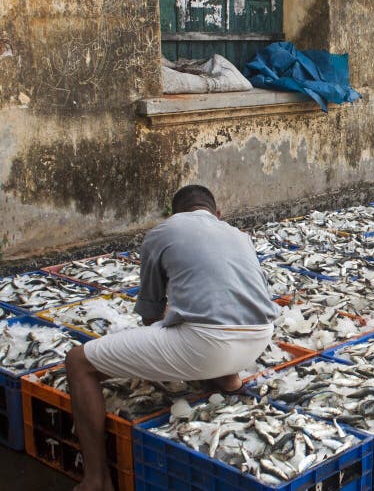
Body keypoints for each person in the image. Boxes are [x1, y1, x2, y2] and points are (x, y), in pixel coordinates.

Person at [65, 185, 280, 491]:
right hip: (259, 340)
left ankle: (96, 480)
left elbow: (150, 316)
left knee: (77, 362)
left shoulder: (163, 232)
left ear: (174, 214)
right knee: (214, 316)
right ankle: (228, 379)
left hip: (207, 345)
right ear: (217, 214)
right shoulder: (238, 234)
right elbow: (241, 296)